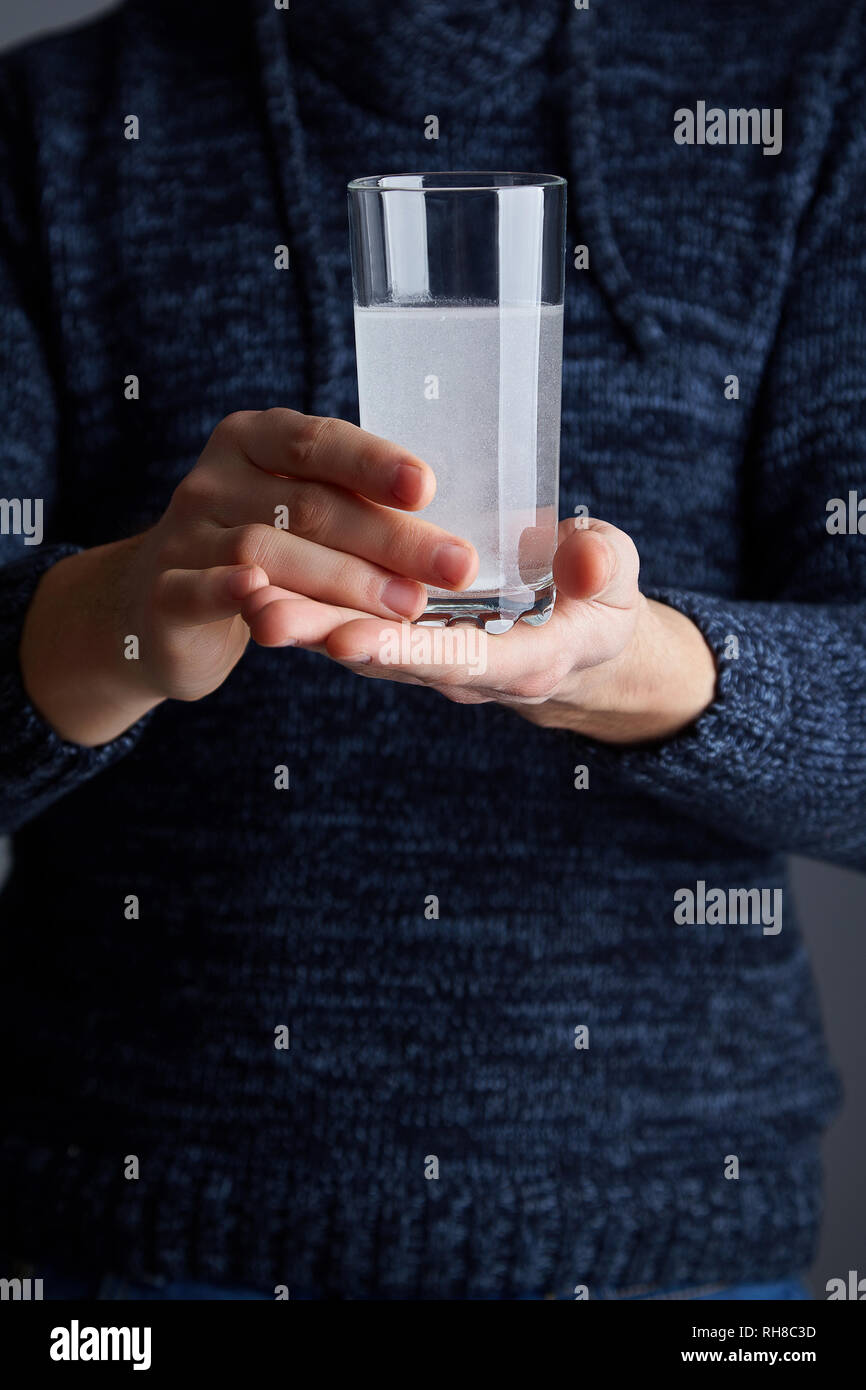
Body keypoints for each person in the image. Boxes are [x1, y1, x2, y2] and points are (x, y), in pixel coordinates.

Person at [0, 0, 863, 1301]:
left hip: (663, 1247)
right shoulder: (48, 124)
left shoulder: (812, 85)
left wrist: (630, 667)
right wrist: (119, 617)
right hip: (130, 1241)